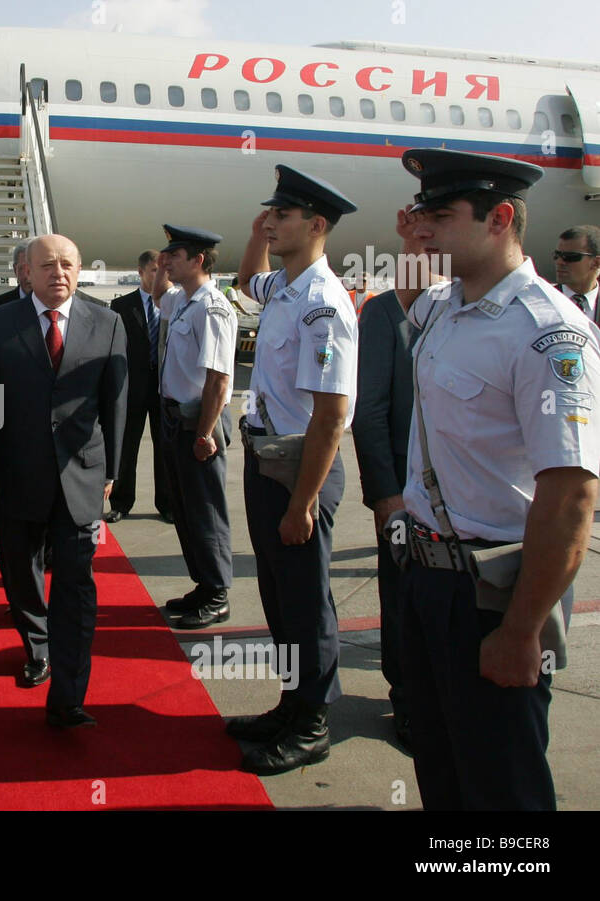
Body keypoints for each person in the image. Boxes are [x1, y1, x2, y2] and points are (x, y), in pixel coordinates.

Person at [394, 148, 599, 809]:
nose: (422, 227)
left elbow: (570, 495)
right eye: (420, 213)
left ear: (500, 217)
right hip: (425, 576)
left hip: (493, 594)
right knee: (442, 764)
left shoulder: (547, 333)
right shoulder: (448, 305)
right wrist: (413, 243)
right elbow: (406, 299)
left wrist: (521, 629)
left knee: (502, 785)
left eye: (439, 214)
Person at [0, 234, 127, 727]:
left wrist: (113, 471)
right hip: (14, 475)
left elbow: (117, 405)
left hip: (81, 477)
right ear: (26, 272)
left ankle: (70, 695)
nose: (59, 273)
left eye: (68, 265)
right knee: (19, 570)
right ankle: (37, 643)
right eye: (48, 265)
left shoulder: (109, 323)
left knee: (76, 586)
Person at [230, 164, 358, 775]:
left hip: (300, 470)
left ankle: (312, 724)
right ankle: (291, 701)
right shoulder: (282, 286)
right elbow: (244, 280)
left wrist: (304, 502)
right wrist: (257, 233)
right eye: (270, 214)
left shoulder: (322, 303)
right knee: (279, 597)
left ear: (317, 224)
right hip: (267, 460)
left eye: (282, 216)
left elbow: (332, 416)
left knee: (307, 602)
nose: (272, 223)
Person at [350, 231, 431, 748]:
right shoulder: (384, 316)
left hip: (470, 508)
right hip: (406, 497)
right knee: (403, 602)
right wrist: (385, 495)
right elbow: (370, 411)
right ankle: (408, 700)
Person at [156, 226, 236, 630]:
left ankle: (218, 593)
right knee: (185, 511)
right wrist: (159, 269)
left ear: (198, 260)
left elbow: (219, 379)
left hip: (197, 424)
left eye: (175, 254)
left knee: (205, 511)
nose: (167, 260)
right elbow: (157, 297)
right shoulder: (183, 301)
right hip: (176, 420)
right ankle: (203, 586)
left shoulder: (212, 307)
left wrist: (205, 434)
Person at [108, 249, 171, 523]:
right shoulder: (122, 306)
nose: (161, 277)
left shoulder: (175, 304)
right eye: (155, 271)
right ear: (142, 272)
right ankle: (121, 503)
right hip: (131, 388)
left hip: (165, 389)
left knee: (165, 450)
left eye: (164, 271)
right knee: (126, 448)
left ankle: (167, 504)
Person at [553, 224, 600, 322]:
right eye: (557, 255)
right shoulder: (540, 300)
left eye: (570, 256)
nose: (559, 262)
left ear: (596, 263)